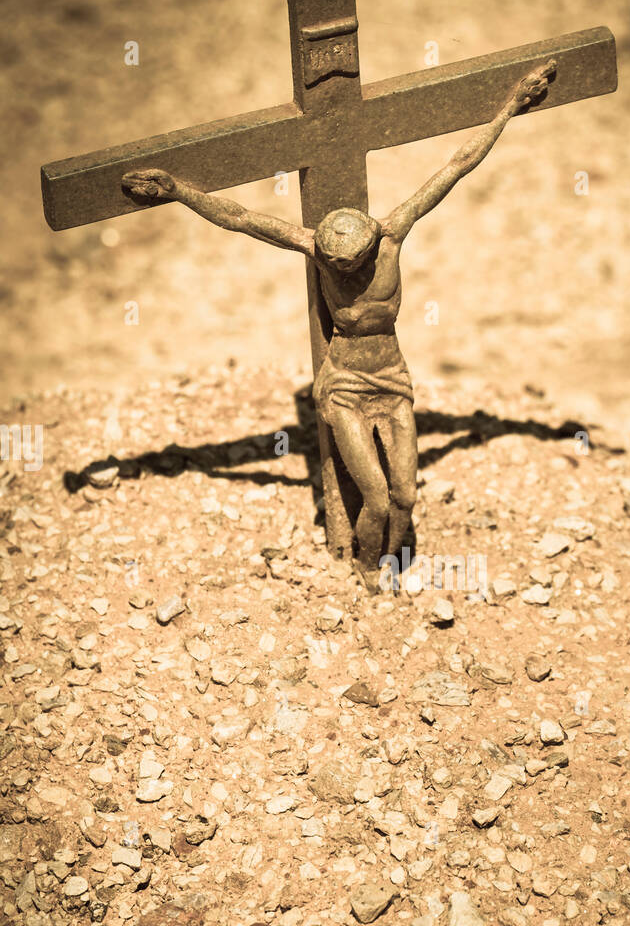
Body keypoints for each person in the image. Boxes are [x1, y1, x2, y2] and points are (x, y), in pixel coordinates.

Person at [123, 59, 556, 588]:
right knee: (376, 495)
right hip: (345, 384)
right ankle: (368, 573)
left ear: (372, 243)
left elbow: (458, 164)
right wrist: (179, 191)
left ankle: (394, 562)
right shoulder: (317, 247)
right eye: (335, 265)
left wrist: (511, 105)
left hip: (393, 378)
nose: (342, 271)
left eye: (352, 263)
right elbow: (241, 218)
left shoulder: (394, 231)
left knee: (407, 495)